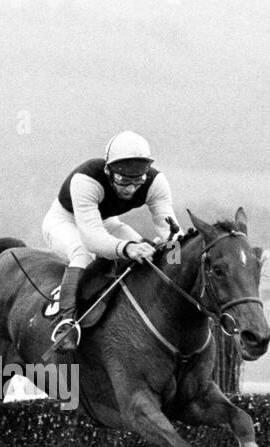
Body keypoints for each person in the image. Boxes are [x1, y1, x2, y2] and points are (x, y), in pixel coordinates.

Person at [41, 131, 180, 349]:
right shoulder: (86, 179)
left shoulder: (156, 182)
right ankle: (66, 323)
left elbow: (170, 230)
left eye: (138, 181)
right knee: (82, 253)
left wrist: (175, 263)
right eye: (124, 181)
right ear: (108, 170)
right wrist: (127, 248)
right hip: (66, 221)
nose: (132, 188)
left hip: (106, 222)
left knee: (148, 254)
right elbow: (92, 239)